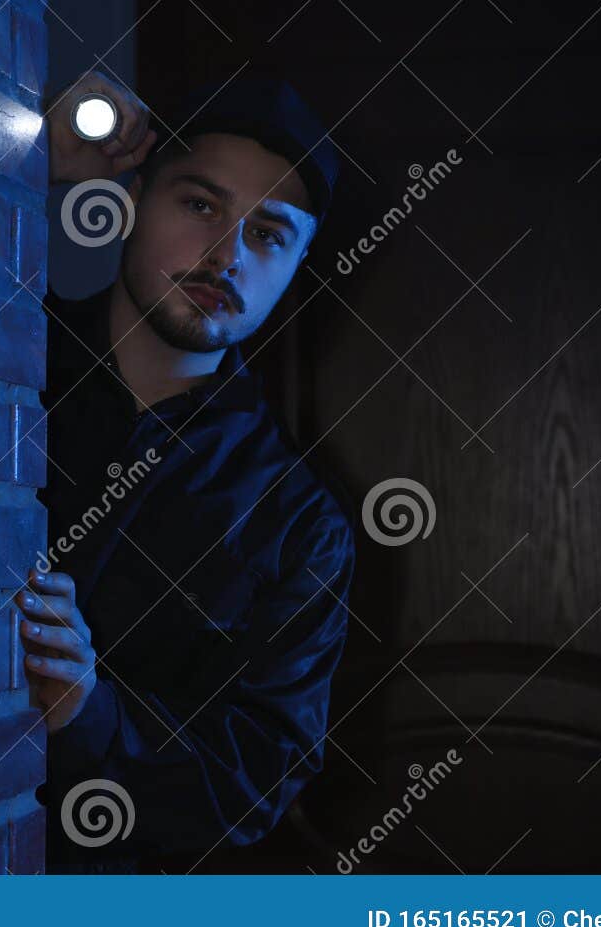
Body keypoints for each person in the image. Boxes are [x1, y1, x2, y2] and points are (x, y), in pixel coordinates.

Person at [18, 68, 357, 872]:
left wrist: (85, 712)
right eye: (201, 205)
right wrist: (28, 158)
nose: (225, 254)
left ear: (297, 265)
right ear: (131, 200)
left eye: (270, 232)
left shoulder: (301, 523)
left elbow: (253, 785)